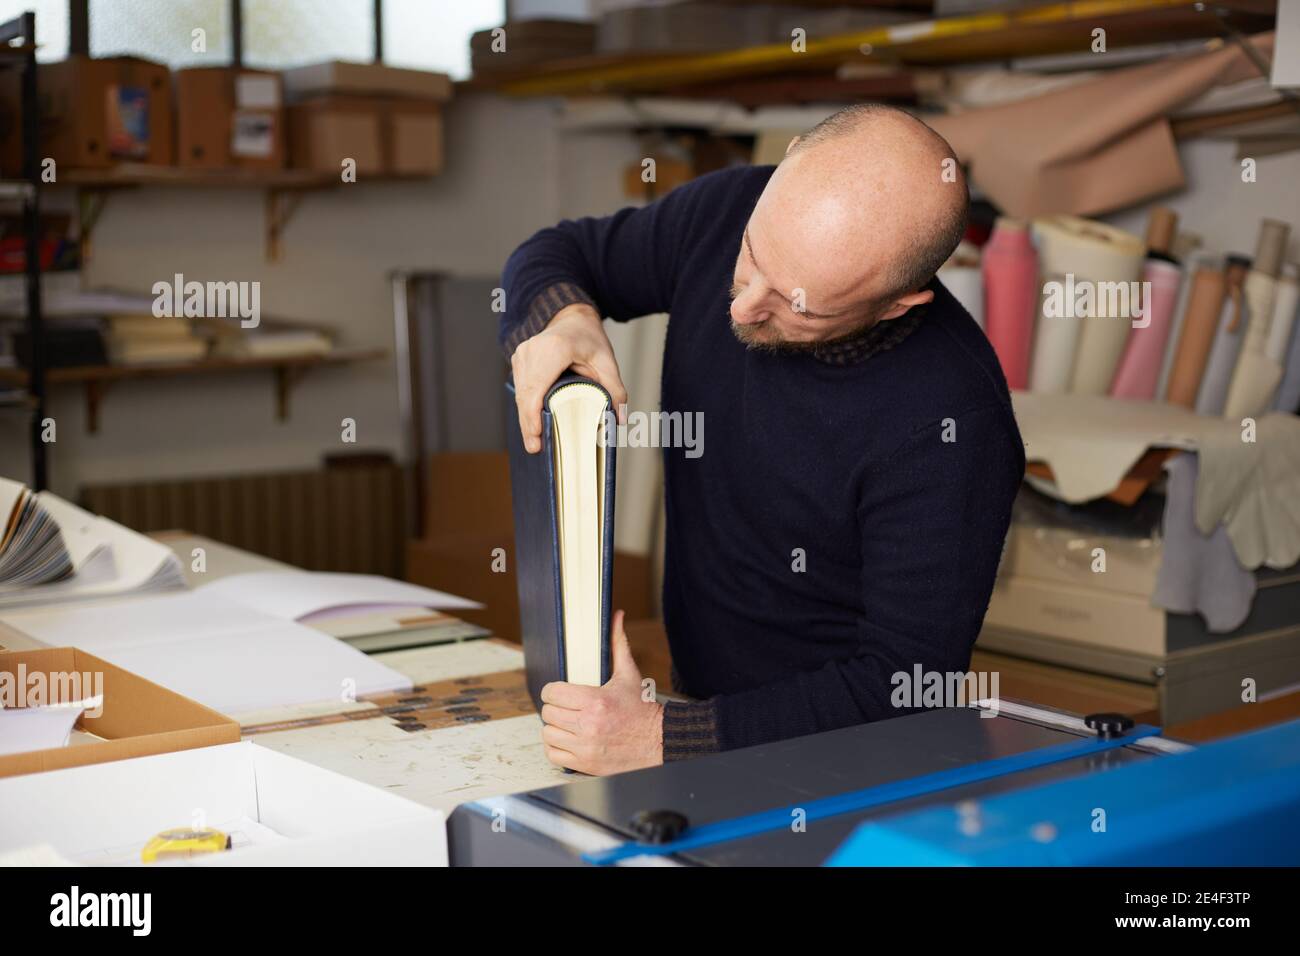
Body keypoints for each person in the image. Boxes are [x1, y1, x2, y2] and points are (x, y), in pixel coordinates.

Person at [501, 104, 1024, 775]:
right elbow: (553, 252)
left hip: (837, 767)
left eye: (800, 306)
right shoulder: (727, 209)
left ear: (899, 304)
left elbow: (905, 685)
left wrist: (662, 738)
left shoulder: (952, 424)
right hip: (689, 713)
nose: (744, 308)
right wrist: (565, 319)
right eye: (753, 258)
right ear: (791, 159)